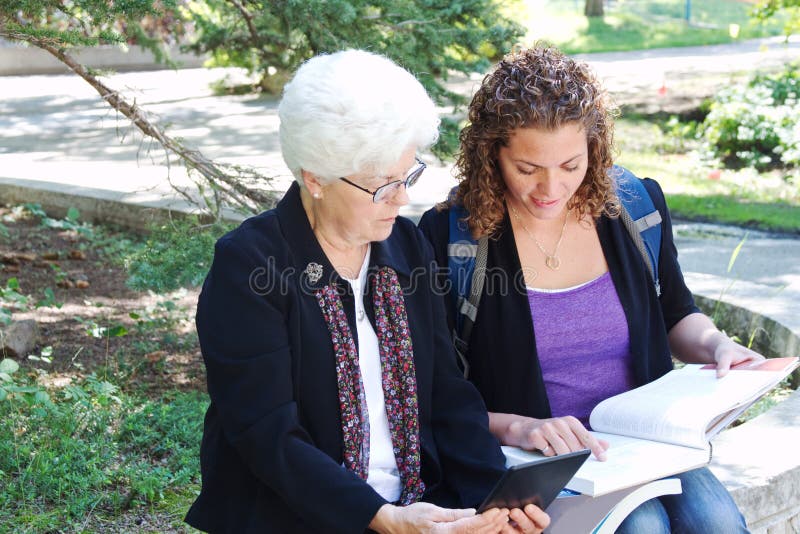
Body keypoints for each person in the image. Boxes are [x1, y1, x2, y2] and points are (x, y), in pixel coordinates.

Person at [184, 50, 550, 534]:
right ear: (315, 179)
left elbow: (446, 394)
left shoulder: (406, 245)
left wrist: (497, 498)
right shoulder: (250, 265)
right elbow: (267, 434)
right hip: (297, 518)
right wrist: (382, 519)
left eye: (408, 175)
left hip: (421, 503)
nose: (403, 199)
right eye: (383, 186)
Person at [418, 44, 761, 533]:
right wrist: (522, 427)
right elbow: (435, 390)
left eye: (570, 166)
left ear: (594, 149)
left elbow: (676, 314)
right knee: (642, 527)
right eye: (527, 169)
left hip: (642, 445)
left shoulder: (632, 206)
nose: (550, 189)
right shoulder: (451, 239)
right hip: (535, 457)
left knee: (719, 522)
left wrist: (716, 345)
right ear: (491, 154)